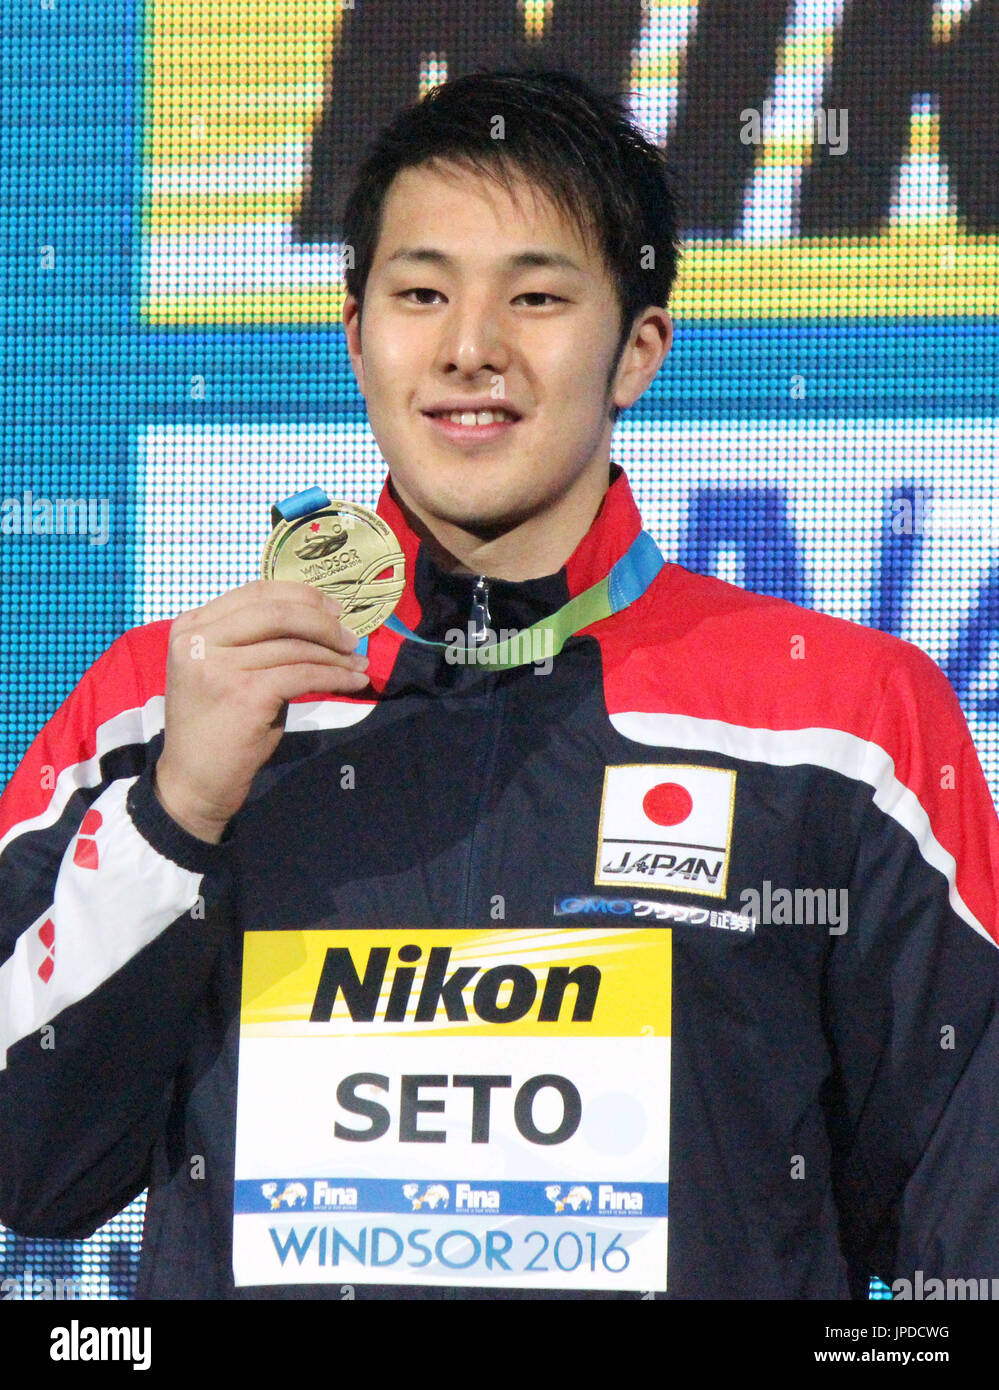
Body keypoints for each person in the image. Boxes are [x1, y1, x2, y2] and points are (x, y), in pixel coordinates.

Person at [1, 68, 997, 1301]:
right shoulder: (165, 703)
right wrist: (175, 818)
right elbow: (28, 1164)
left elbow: (967, 1220)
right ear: (356, 334)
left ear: (638, 350)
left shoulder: (849, 721)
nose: (471, 349)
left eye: (536, 296)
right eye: (421, 293)